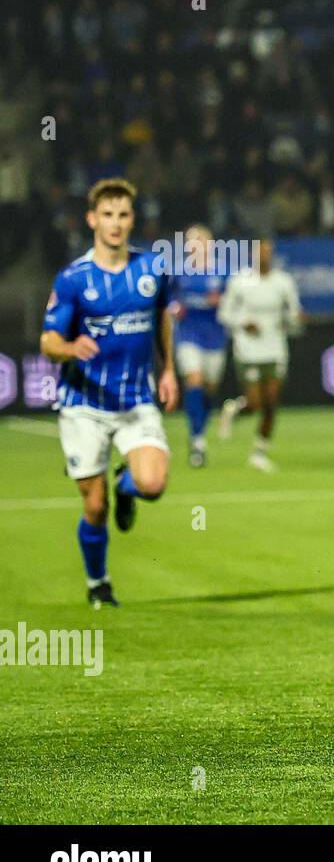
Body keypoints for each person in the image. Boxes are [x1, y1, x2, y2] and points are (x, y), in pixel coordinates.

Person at [39, 178, 178, 607]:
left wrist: (168, 368)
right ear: (92, 219)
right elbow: (47, 341)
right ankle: (98, 582)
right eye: (107, 215)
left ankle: (127, 483)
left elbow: (162, 318)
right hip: (84, 405)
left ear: (132, 219)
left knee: (152, 483)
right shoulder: (73, 279)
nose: (115, 223)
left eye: (123, 215)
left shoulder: (152, 269)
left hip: (136, 398)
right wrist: (69, 347)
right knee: (94, 507)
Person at [216, 237, 302, 471]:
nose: (264, 256)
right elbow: (224, 314)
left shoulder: (283, 282)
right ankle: (234, 410)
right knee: (255, 403)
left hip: (275, 349)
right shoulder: (240, 282)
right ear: (253, 255)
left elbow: (293, 316)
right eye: (260, 251)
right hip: (248, 349)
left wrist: (296, 321)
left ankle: (259, 453)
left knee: (271, 403)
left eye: (268, 251)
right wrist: (243, 324)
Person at [171, 223, 229, 467]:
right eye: (192, 242)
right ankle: (197, 440)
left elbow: (234, 303)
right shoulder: (178, 273)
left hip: (215, 338)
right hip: (188, 337)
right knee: (193, 381)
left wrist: (222, 302)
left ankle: (199, 431)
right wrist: (174, 308)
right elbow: (167, 300)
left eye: (202, 242)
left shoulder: (222, 273)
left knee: (209, 389)